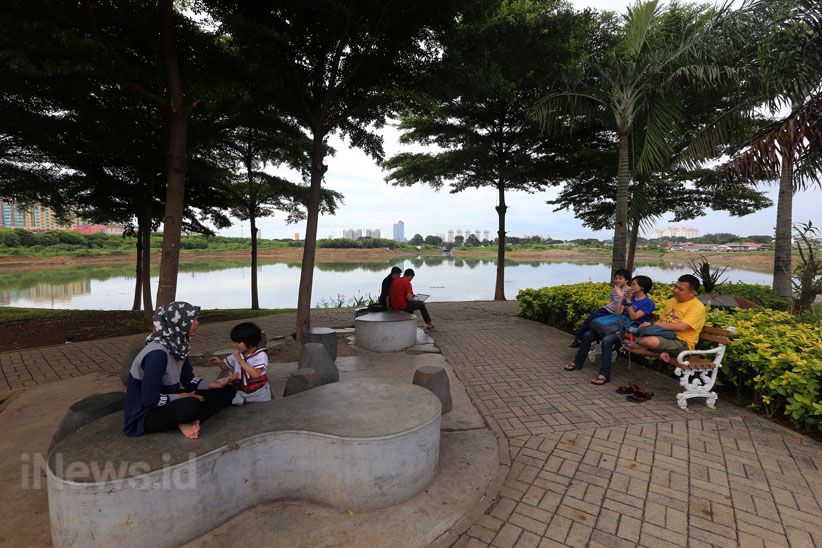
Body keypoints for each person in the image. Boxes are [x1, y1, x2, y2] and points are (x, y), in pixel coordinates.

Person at [124, 302, 236, 439]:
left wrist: (216, 384)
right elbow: (149, 400)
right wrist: (183, 396)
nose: (197, 323)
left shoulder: (179, 346)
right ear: (178, 323)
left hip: (168, 400)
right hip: (145, 413)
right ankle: (184, 419)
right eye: (192, 319)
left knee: (227, 391)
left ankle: (188, 420)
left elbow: (188, 381)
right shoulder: (157, 354)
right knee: (191, 406)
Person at [564, 275, 655, 385]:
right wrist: (621, 298)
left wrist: (628, 302)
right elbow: (617, 313)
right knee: (588, 335)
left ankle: (604, 374)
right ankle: (577, 363)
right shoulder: (629, 298)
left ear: (642, 288)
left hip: (628, 330)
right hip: (615, 325)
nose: (631, 286)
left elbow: (634, 317)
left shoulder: (648, 303)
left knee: (607, 340)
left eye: (634, 284)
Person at [631, 274, 706, 363]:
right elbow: (661, 320)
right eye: (675, 286)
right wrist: (650, 327)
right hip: (664, 334)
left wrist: (652, 324)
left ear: (692, 293)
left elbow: (682, 326)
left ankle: (662, 352)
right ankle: (661, 354)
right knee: (631, 345)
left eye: (680, 289)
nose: (675, 290)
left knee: (647, 341)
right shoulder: (672, 301)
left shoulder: (697, 306)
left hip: (681, 342)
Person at [209, 322, 271, 404]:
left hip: (258, 394)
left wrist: (241, 361)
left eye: (238, 342)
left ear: (250, 342)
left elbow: (256, 374)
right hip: (241, 392)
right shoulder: (238, 354)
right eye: (234, 342)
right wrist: (219, 362)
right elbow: (225, 367)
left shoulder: (260, 355)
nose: (235, 345)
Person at [569, 269, 631, 348]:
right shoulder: (615, 289)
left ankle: (582, 340)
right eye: (616, 278)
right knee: (589, 320)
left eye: (620, 278)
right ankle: (579, 339)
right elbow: (610, 300)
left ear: (627, 280)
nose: (617, 280)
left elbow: (626, 304)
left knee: (594, 321)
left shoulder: (629, 291)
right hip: (606, 310)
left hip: (615, 314)